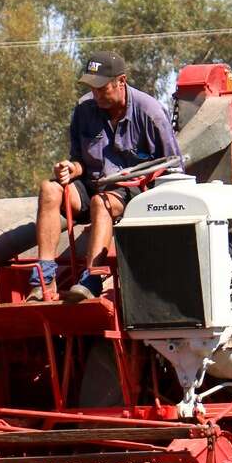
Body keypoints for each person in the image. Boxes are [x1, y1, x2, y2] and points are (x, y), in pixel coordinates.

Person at [29, 50, 181, 302]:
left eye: (102, 88)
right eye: (92, 88)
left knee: (104, 201)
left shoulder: (150, 112)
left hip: (134, 193)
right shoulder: (84, 109)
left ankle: (92, 279)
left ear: (121, 81)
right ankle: (44, 279)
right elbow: (79, 160)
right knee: (49, 188)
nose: (96, 94)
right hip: (94, 185)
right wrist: (70, 169)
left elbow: (174, 168)